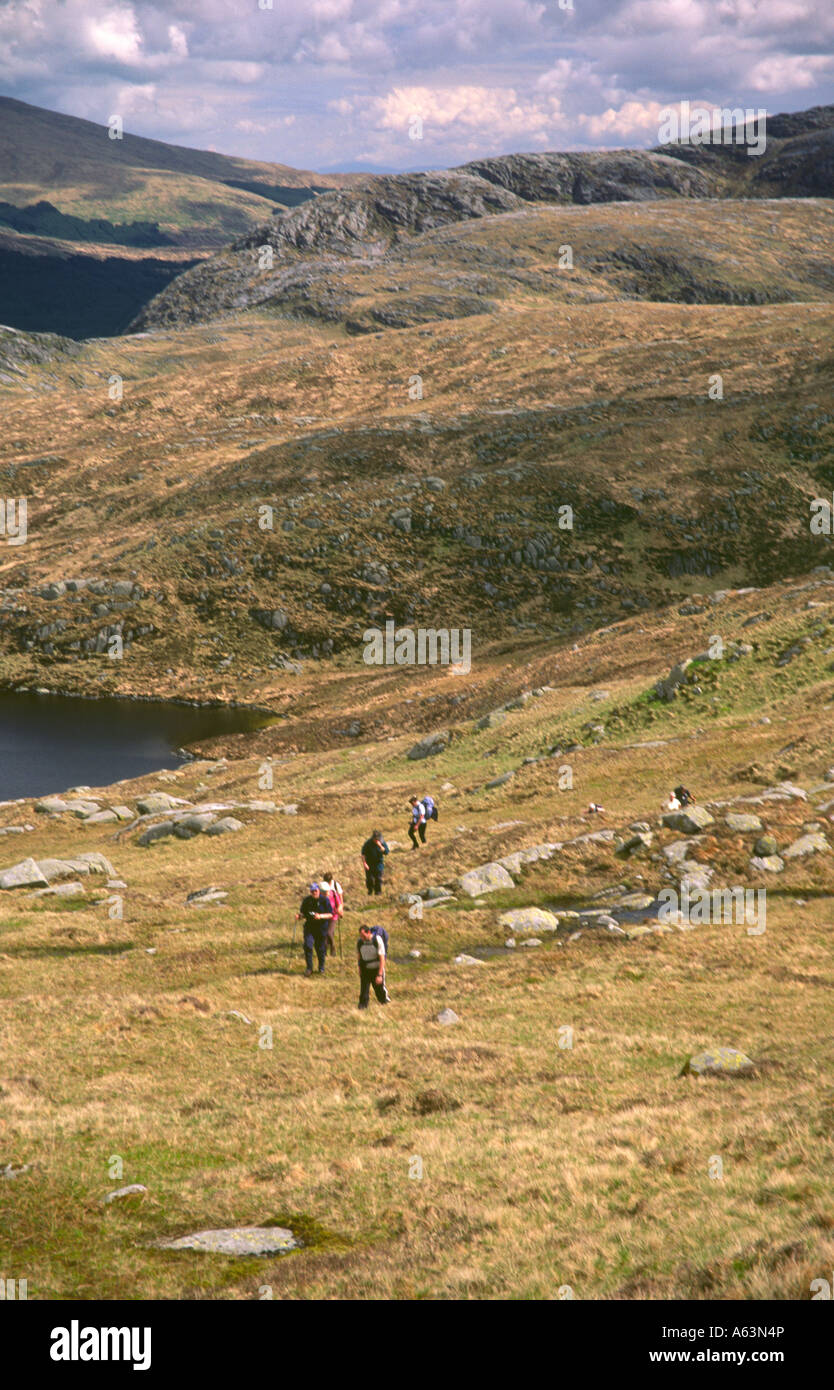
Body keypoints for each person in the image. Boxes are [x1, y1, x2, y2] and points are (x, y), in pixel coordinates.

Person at [295, 882, 330, 976]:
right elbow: (304, 913)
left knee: (320, 948)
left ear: (319, 891)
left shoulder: (325, 900)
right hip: (309, 927)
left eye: (316, 891)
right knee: (308, 946)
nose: (314, 892)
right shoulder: (307, 900)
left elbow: (330, 914)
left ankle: (321, 967)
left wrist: (321, 916)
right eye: (312, 891)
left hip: (321, 928)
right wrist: (299, 916)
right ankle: (309, 968)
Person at [357, 924, 390, 1009]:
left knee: (379, 990)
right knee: (364, 991)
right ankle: (362, 1008)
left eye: (363, 936)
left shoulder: (377, 940)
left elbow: (382, 958)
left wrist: (379, 975)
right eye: (361, 936)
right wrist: (360, 969)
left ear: (368, 932)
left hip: (376, 969)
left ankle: (385, 1003)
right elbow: (359, 957)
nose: (362, 938)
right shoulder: (360, 942)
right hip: (365, 969)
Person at [320, 871, 343, 956]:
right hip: (323, 916)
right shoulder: (321, 891)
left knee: (329, 932)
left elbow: (339, 902)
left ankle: (333, 946)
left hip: (333, 915)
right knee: (324, 934)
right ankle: (325, 951)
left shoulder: (334, 892)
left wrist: (340, 910)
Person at [360, 830, 389, 895]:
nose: (377, 841)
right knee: (369, 879)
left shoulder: (382, 842)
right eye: (375, 839)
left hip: (379, 864)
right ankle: (370, 890)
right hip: (369, 864)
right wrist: (364, 863)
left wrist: (381, 847)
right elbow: (363, 854)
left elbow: (387, 852)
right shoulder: (368, 843)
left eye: (378, 839)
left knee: (378, 879)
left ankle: (378, 892)